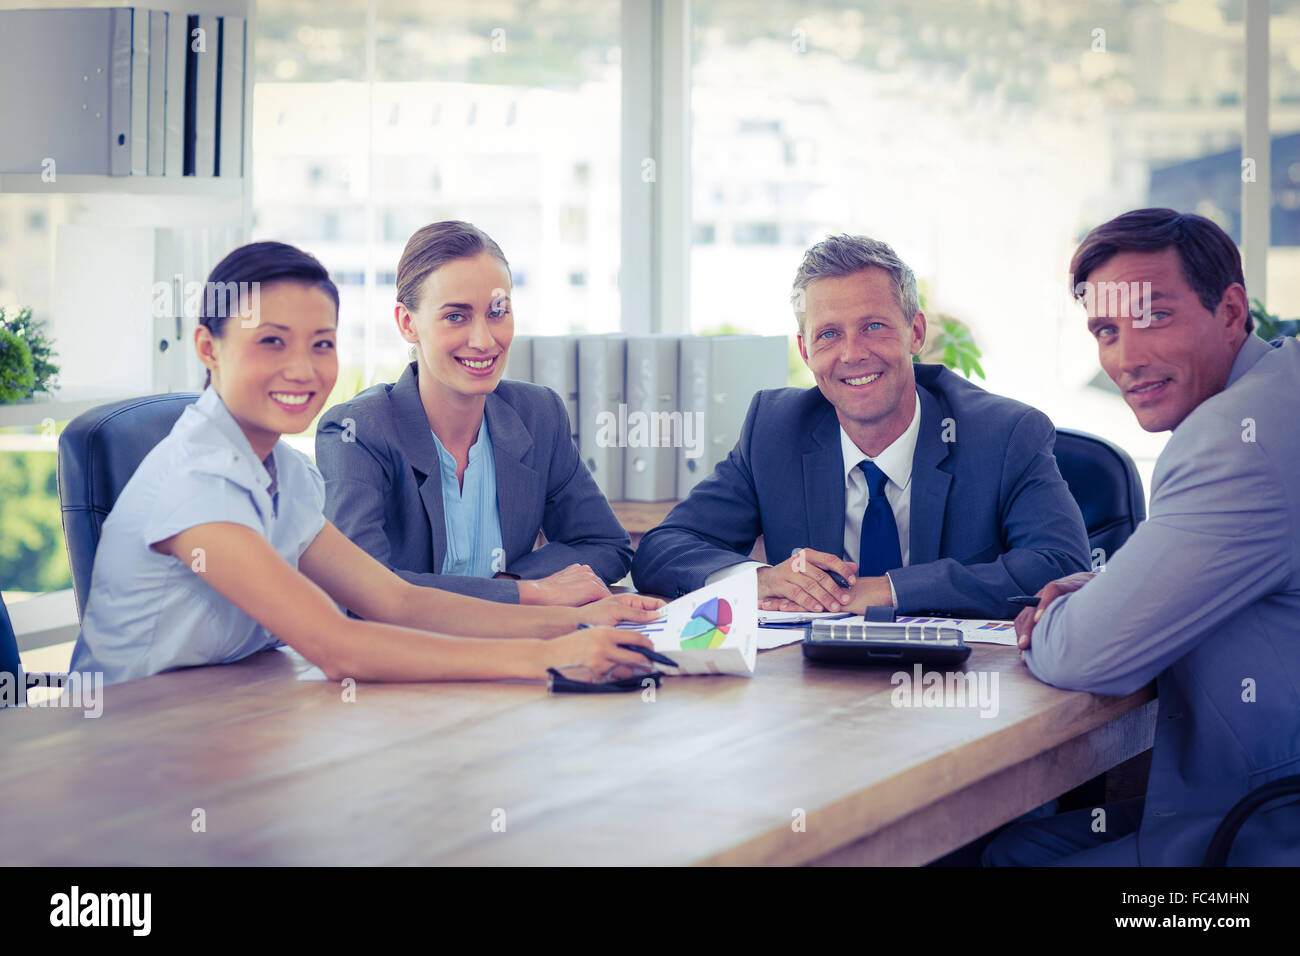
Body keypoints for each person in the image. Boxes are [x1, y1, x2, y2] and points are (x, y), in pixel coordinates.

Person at [68, 241, 661, 687]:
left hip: (227, 718)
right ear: (207, 348)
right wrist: (546, 655)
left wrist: (580, 624)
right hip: (131, 737)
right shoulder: (195, 483)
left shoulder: (286, 475)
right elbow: (341, 646)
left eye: (320, 343)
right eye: (272, 341)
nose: (303, 369)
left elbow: (396, 602)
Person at [984, 208, 1300, 866]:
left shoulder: (1235, 441)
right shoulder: (1278, 392)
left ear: (1232, 311)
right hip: (1252, 798)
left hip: (1260, 835)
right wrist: (1105, 591)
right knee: (1015, 847)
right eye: (1106, 331)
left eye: (1153, 316)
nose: (1126, 358)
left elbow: (1082, 655)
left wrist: (1058, 614)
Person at [631, 234, 1090, 619]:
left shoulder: (1005, 434)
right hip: (813, 692)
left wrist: (889, 589)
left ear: (915, 332)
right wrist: (760, 580)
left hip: (957, 690)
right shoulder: (775, 430)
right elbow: (663, 550)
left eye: (873, 326)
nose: (852, 354)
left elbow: (1062, 567)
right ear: (806, 350)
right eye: (829, 334)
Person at [316, 221, 632, 607]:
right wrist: (526, 593)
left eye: (497, 312)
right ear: (407, 323)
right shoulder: (357, 431)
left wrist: (511, 580)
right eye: (455, 316)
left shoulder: (538, 414)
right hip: (408, 660)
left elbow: (605, 544)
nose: (484, 340)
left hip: (520, 650)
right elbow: (359, 590)